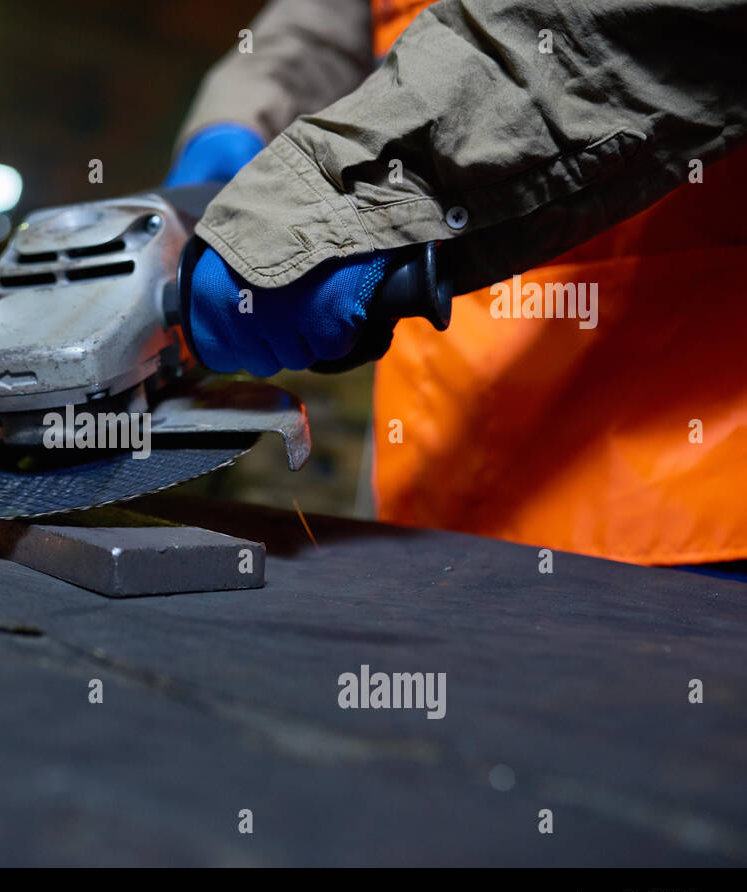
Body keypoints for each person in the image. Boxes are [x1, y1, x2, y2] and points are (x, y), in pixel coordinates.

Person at [167, 0, 747, 574]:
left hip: (690, 506)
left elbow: (607, 26)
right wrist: (245, 114)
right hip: (434, 476)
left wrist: (307, 214)